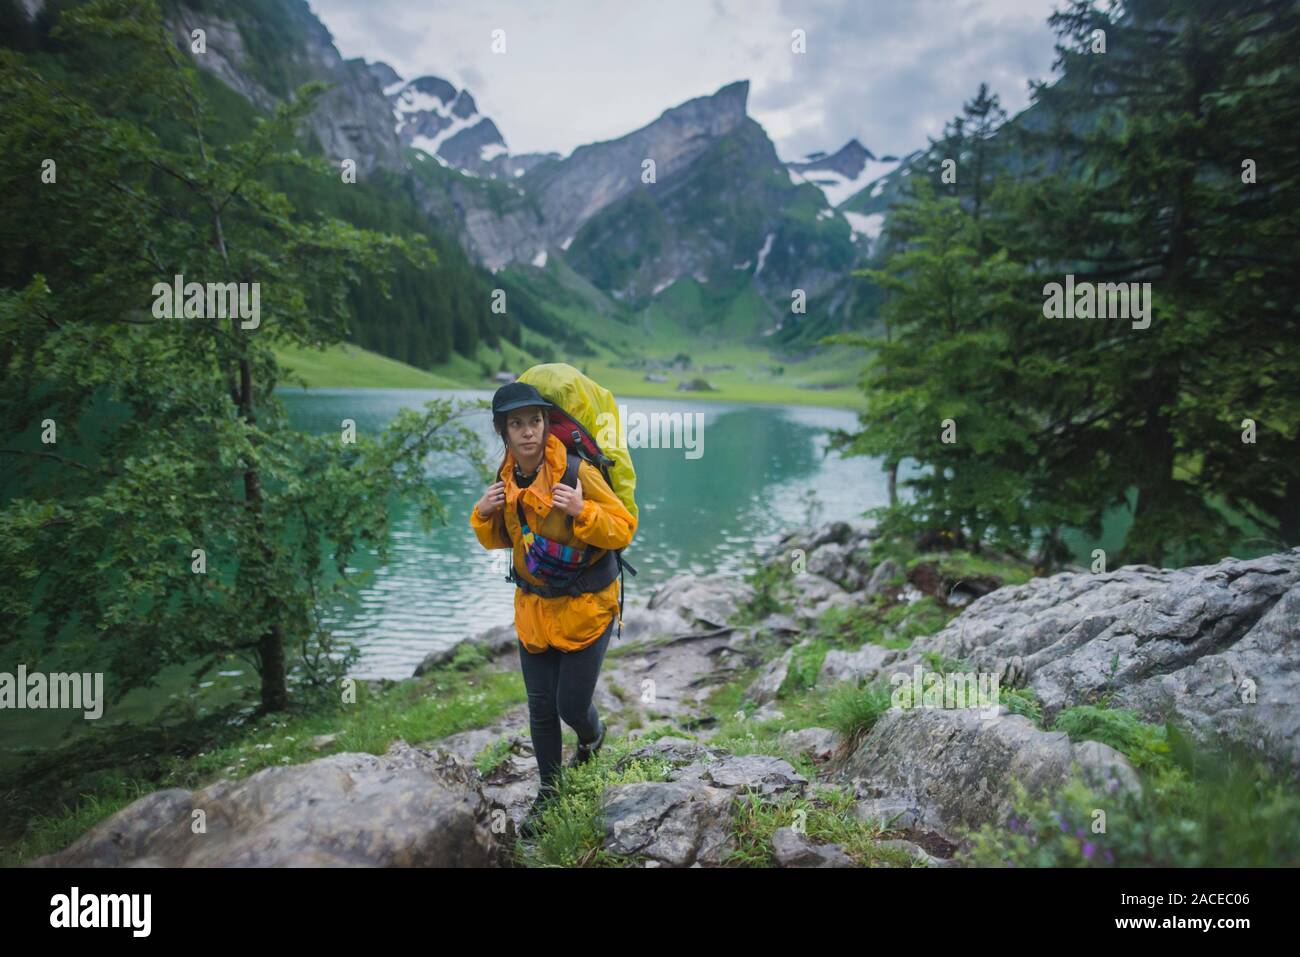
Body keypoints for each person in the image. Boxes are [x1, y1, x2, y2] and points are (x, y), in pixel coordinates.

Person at [470, 381, 636, 839]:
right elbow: (501, 540)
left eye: (535, 422)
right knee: (540, 707)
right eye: (517, 424)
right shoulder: (504, 479)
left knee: (570, 706)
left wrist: (584, 511)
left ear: (547, 425)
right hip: (534, 611)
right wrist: (482, 514)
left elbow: (622, 529)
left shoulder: (577, 472)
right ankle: (549, 791)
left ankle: (592, 737)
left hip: (587, 607)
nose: (528, 433)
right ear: (503, 431)